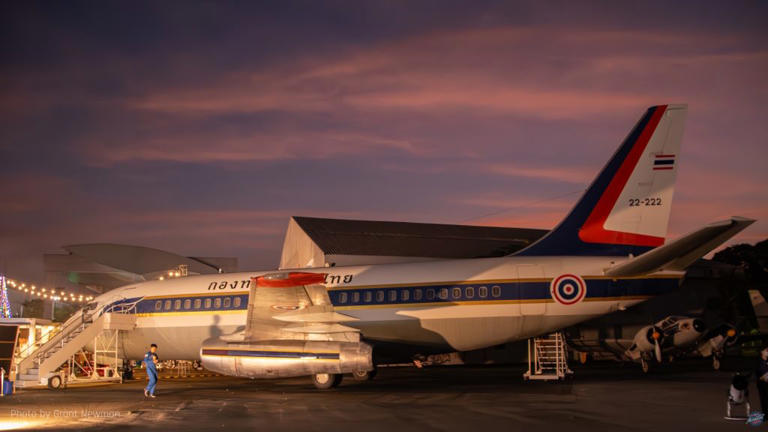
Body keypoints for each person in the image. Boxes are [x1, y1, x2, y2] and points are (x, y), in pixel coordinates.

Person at [756, 346, 768, 415]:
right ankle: (765, 414)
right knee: (764, 400)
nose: (767, 351)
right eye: (766, 350)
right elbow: (759, 375)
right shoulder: (759, 362)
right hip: (762, 384)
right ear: (761, 352)